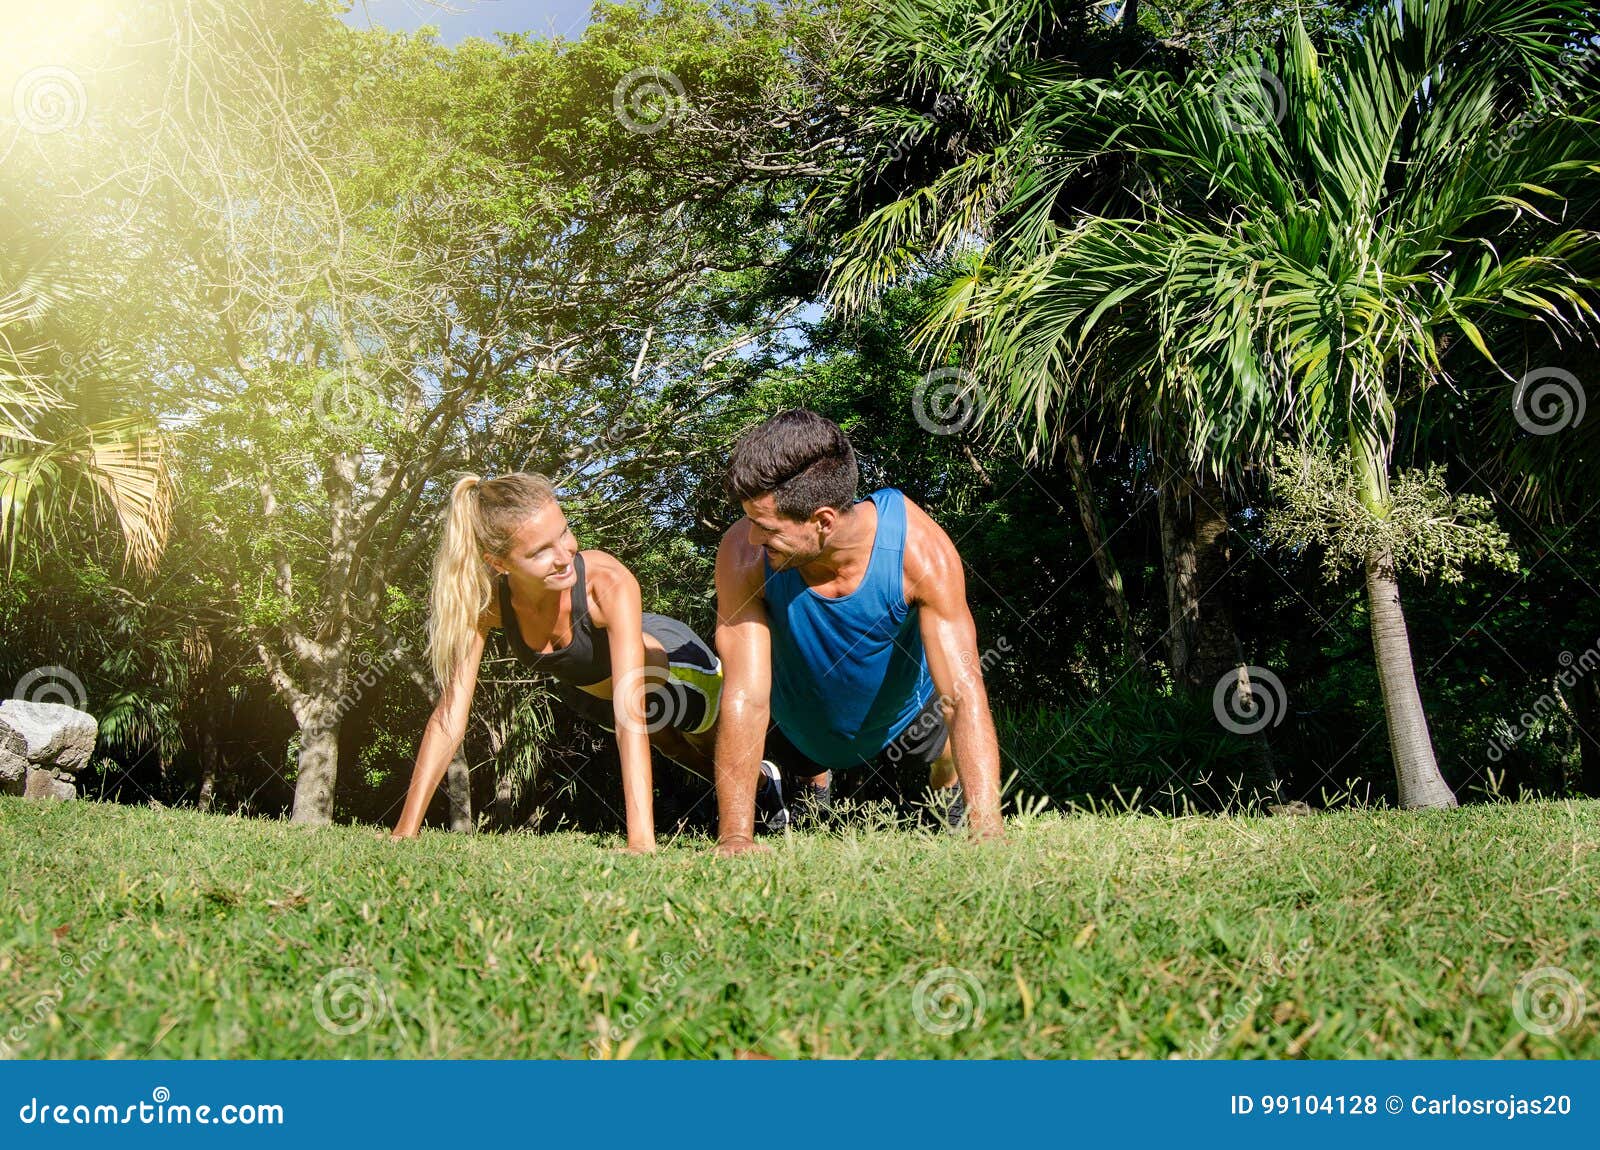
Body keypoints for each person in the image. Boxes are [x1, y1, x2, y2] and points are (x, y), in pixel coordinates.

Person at [391, 472, 782, 850]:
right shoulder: (490, 604)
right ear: (499, 563)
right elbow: (450, 716)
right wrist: (404, 832)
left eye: (563, 532)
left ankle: (765, 786)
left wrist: (640, 843)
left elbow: (629, 715)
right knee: (675, 750)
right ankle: (767, 788)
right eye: (540, 551)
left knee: (713, 750)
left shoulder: (605, 581)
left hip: (677, 671)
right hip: (597, 690)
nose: (564, 556)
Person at [711, 409, 1005, 856]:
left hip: (903, 713)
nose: (752, 538)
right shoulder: (743, 555)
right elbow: (746, 695)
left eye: (765, 527)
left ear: (823, 520)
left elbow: (963, 692)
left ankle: (948, 794)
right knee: (805, 756)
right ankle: (813, 786)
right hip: (799, 716)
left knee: (943, 751)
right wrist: (735, 837)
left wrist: (987, 830)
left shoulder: (918, 551)